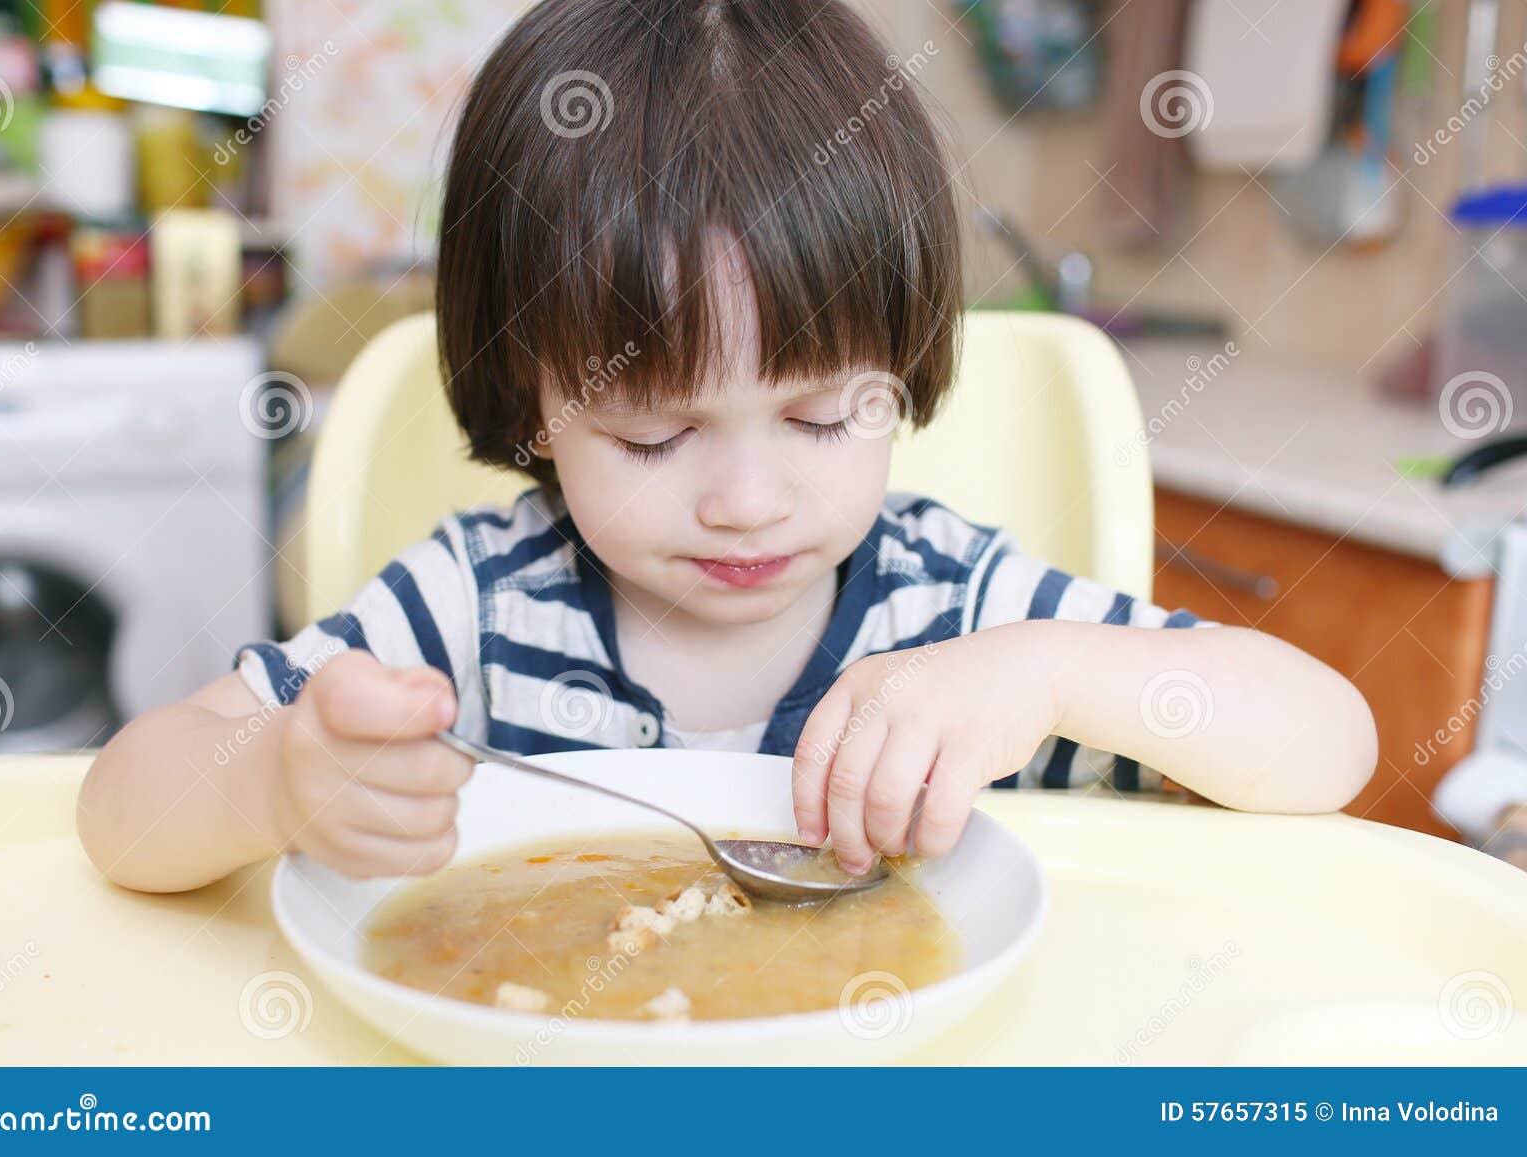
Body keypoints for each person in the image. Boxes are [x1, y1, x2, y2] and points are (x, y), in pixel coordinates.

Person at [78, 0, 1376, 894]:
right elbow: (118, 806)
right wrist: (274, 791)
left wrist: (1039, 676)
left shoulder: (956, 608)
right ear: (534, 404)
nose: (750, 501)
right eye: (652, 432)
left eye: (822, 418)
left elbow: (1332, 742)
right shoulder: (471, 607)